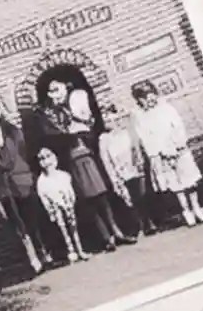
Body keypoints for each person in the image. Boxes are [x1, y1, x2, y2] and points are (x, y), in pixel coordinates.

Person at [40, 77, 134, 252]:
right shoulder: (50, 113)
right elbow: (54, 137)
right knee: (88, 200)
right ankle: (106, 238)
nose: (54, 95)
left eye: (57, 90)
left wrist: (80, 124)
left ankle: (117, 231)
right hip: (72, 160)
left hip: (89, 155)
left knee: (102, 195)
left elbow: (89, 124)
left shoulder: (77, 101)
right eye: (51, 91)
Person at [0, 100, 49, 273]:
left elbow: (26, 154)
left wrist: (34, 177)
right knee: (18, 223)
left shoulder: (13, 132)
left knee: (32, 218)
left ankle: (43, 251)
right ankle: (32, 258)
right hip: (3, 187)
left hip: (22, 180)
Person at [130, 81, 203, 227]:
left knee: (190, 180)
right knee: (176, 184)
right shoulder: (140, 117)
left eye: (151, 97)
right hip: (162, 153)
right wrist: (159, 154)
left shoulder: (167, 109)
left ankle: (196, 207)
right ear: (140, 101)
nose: (149, 101)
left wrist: (178, 144)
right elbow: (146, 138)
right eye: (145, 99)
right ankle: (186, 211)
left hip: (178, 149)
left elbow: (178, 126)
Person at [98, 103, 157, 236]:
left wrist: (139, 161)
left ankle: (149, 221)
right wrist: (114, 178)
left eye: (111, 118)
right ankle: (140, 226)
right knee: (130, 199)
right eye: (106, 120)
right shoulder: (104, 139)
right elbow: (106, 161)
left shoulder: (127, 133)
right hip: (121, 173)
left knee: (142, 195)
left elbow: (136, 148)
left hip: (134, 167)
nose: (109, 122)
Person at [34, 147, 89, 264]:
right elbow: (44, 197)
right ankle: (71, 250)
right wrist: (50, 210)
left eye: (48, 157)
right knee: (63, 228)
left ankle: (80, 249)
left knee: (73, 227)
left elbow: (70, 190)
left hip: (67, 203)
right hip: (56, 207)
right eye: (43, 159)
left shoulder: (64, 175)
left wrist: (71, 200)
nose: (47, 162)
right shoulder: (42, 181)